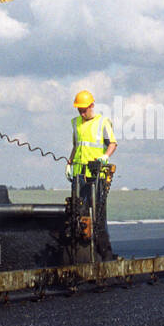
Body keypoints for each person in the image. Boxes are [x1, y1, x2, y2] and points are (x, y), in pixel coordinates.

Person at [67, 90, 117, 257]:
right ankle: (81, 251)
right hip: (79, 175)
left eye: (84, 109)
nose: (81, 112)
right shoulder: (75, 123)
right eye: (79, 109)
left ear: (92, 106)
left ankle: (105, 253)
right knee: (77, 212)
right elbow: (76, 146)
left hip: (96, 176)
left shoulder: (102, 122)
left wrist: (105, 156)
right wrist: (69, 163)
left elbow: (112, 144)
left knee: (98, 216)